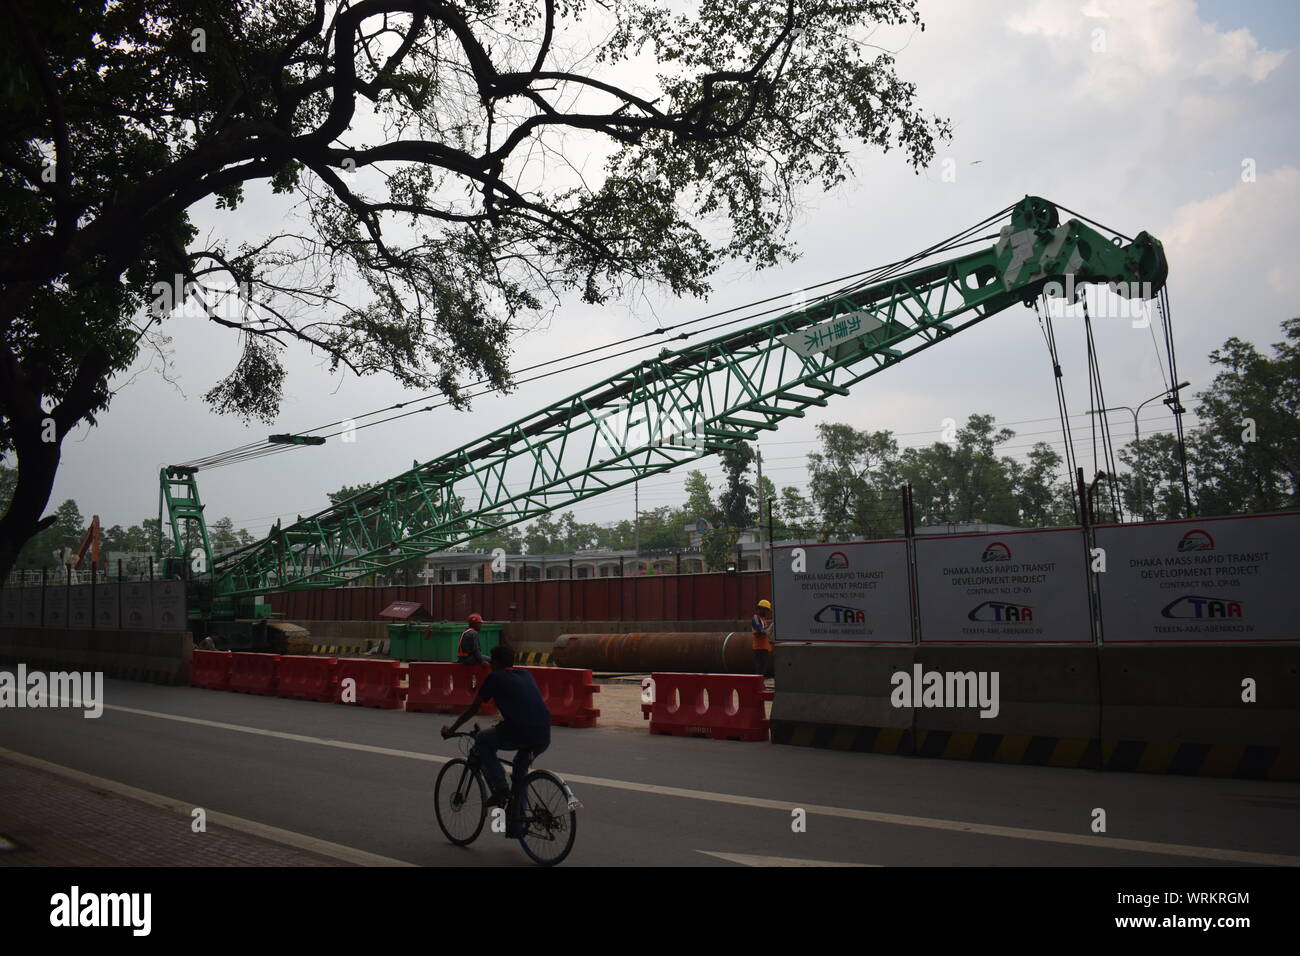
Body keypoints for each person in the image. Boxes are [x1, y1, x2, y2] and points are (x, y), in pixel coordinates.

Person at [442, 644, 551, 836]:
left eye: (492, 660)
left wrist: (452, 729)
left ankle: (500, 788)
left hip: (521, 731)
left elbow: (474, 708)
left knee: (483, 740)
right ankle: (517, 825)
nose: (490, 663)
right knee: (519, 773)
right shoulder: (525, 675)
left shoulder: (494, 678)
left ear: (497, 663)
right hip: (543, 734)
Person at [752, 599, 774, 677]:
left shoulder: (763, 619)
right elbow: (759, 630)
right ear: (761, 609)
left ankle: (760, 685)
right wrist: (770, 627)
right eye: (766, 610)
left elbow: (765, 632)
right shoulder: (756, 618)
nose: (767, 612)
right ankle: (757, 686)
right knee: (759, 669)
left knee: (763, 670)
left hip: (764, 648)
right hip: (759, 648)